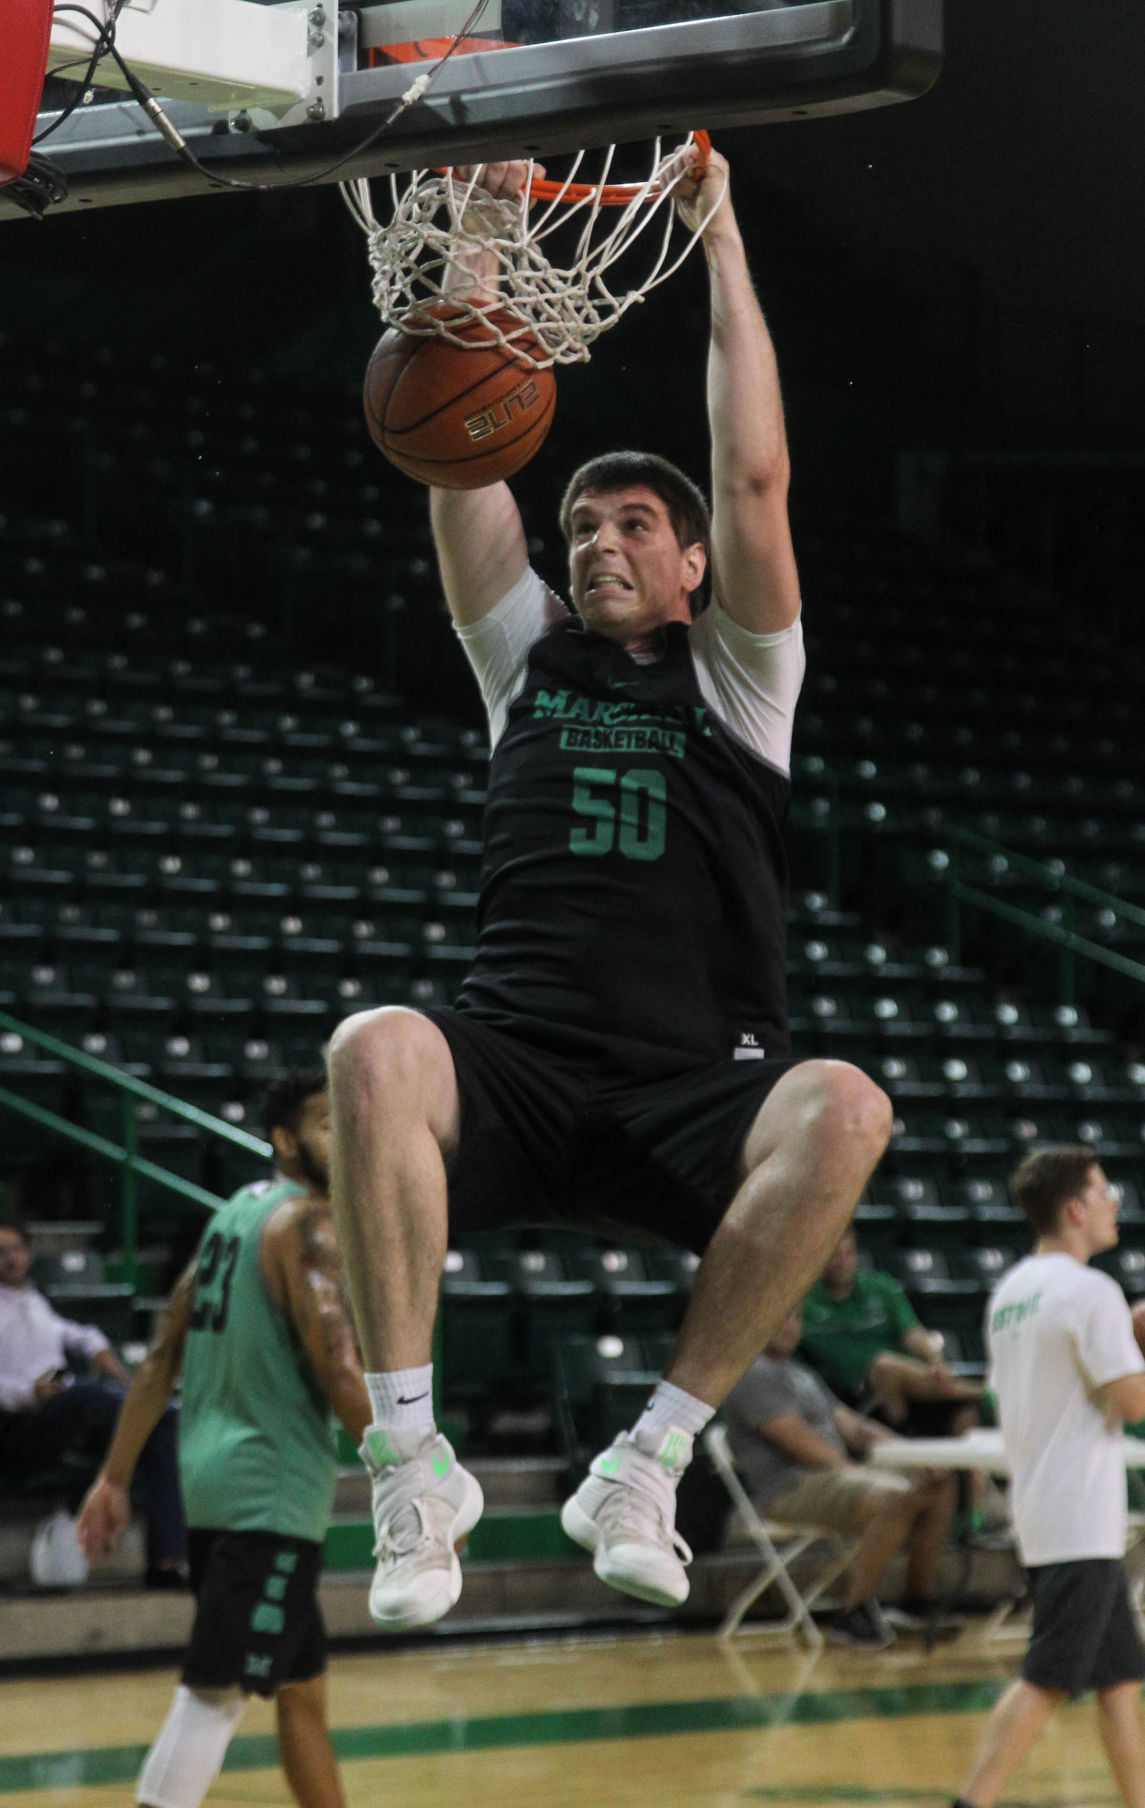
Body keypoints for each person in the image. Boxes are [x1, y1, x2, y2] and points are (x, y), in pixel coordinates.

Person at [327, 140, 893, 1634]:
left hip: (689, 1085)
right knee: (374, 1048)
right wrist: (487, 236)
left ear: (697, 561)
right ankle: (411, 1463)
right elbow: (464, 456)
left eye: (635, 522)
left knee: (846, 1105)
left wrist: (718, 243)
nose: (598, 539)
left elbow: (756, 470)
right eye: (583, 525)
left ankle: (645, 1460)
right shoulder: (525, 659)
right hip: (513, 1063)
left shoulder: (742, 683)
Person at [76, 1070, 371, 1808]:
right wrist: (415, 1477)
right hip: (266, 1495)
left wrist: (113, 1478)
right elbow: (340, 1371)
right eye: (328, 1127)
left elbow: (159, 1357)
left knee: (301, 1694)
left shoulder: (233, 1216)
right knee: (217, 1694)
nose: (347, 1140)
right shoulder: (306, 1223)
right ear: (284, 1139)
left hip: (217, 1488)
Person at [953, 1147, 1145, 1808]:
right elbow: (1134, 1402)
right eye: (1101, 1191)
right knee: (1046, 1678)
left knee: (1119, 1680)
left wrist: (1127, 1340)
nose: (1112, 1201)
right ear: (1073, 1208)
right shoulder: (1088, 1290)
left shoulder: (1010, 1292)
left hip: (1045, 1503)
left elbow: (1068, 1385)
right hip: (1078, 1516)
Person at [723, 1307, 958, 1647]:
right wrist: (855, 1471)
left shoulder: (801, 1373)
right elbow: (798, 1442)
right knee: (891, 1497)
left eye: (796, 1318)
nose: (790, 1326)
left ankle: (915, 1601)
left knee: (939, 1482)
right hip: (789, 1488)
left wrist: (915, 1455)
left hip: (830, 1478)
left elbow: (853, 1425)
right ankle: (854, 1611)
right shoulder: (751, 1375)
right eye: (781, 1318)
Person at [0, 1217, 185, 1587]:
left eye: (16, 1249)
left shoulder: (35, 1301)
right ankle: (137, 1403)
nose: (11, 1259)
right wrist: (27, 1392)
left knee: (161, 1428)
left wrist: (98, 1347)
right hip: (21, 1426)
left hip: (63, 1412)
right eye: (1, 1252)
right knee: (83, 1393)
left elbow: (76, 1333)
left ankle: (166, 1560)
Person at [800, 1227, 982, 1432]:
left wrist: (936, 1361)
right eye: (834, 1255)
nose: (842, 1262)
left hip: (905, 1387)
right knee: (885, 1367)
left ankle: (968, 1451)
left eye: (848, 1253)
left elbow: (912, 1332)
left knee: (964, 1412)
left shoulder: (881, 1287)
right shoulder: (804, 1301)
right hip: (851, 1395)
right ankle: (978, 1391)